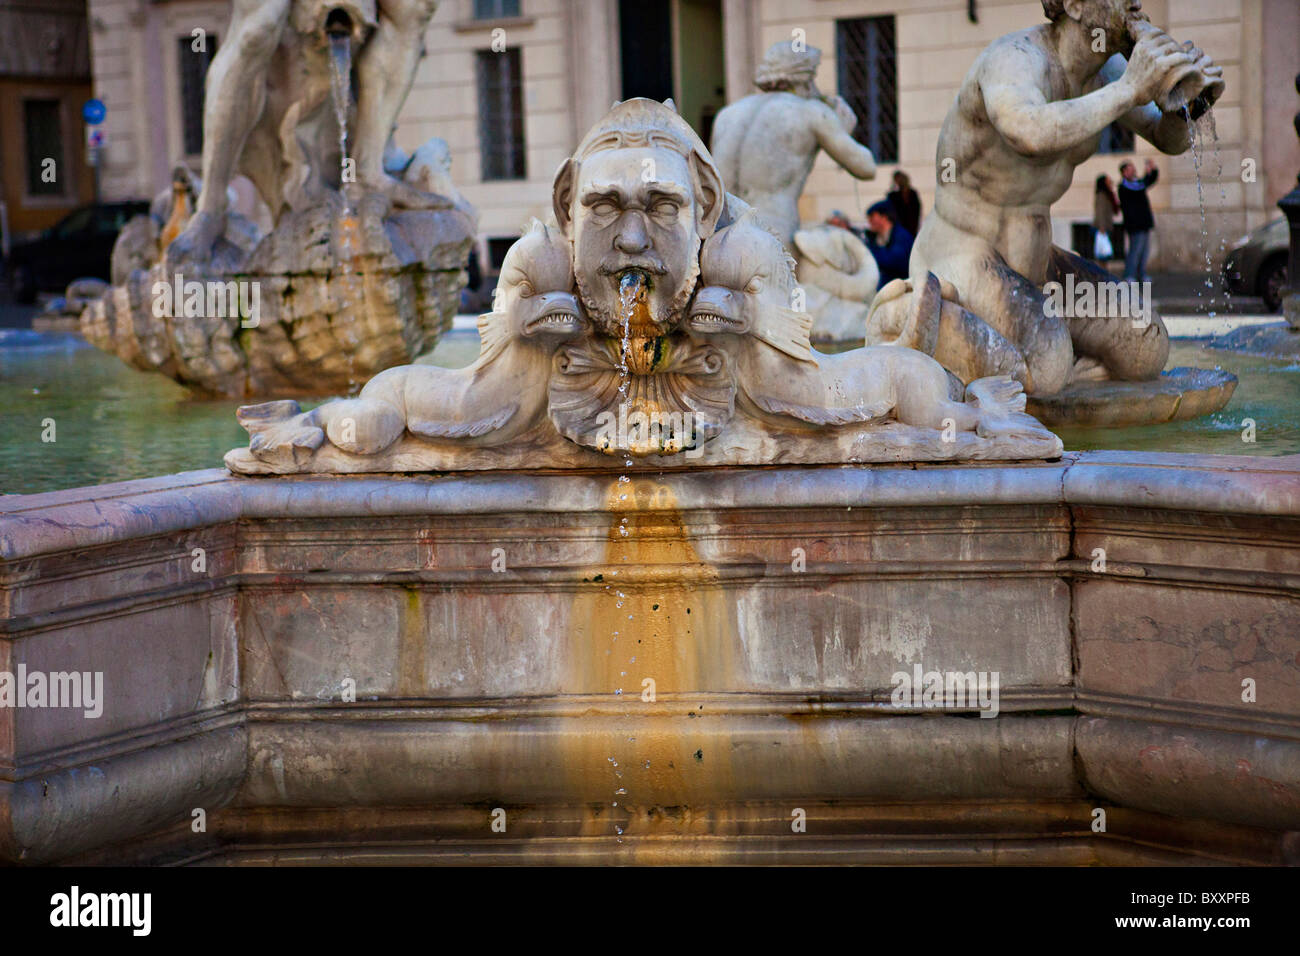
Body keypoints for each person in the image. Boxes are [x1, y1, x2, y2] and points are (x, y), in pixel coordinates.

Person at [905, 0, 1221, 393]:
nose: (1136, 3)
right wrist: (1129, 90)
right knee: (1048, 365)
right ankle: (922, 320)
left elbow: (1166, 139)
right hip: (964, 251)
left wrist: (1188, 104)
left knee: (1146, 344)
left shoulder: (1106, 72)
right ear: (1073, 4)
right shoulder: (1015, 59)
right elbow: (1028, 131)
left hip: (1038, 264)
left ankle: (1031, 355)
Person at [1118, 159, 1158, 281]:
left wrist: (1153, 171)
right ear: (1124, 172)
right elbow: (1142, 185)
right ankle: (1129, 275)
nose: (1134, 170)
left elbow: (1148, 181)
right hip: (1135, 225)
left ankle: (1141, 274)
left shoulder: (1136, 183)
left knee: (1144, 252)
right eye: (1130, 169)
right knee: (1135, 252)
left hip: (1144, 223)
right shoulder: (1125, 186)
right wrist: (1147, 174)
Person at [864, 200, 914, 285]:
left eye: (872, 216)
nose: (869, 221)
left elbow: (893, 262)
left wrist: (869, 250)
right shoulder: (875, 238)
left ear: (884, 216)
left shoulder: (902, 236)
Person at [887, 170, 922, 237]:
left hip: (910, 226)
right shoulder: (893, 195)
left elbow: (916, 210)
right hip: (900, 226)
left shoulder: (912, 194)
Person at [1093, 174, 1119, 261]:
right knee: (1102, 252)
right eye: (1108, 180)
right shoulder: (1101, 195)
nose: (1110, 181)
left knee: (1105, 252)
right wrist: (1102, 227)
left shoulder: (1108, 194)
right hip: (1102, 227)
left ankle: (1103, 272)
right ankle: (1102, 272)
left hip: (1106, 225)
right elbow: (1100, 211)